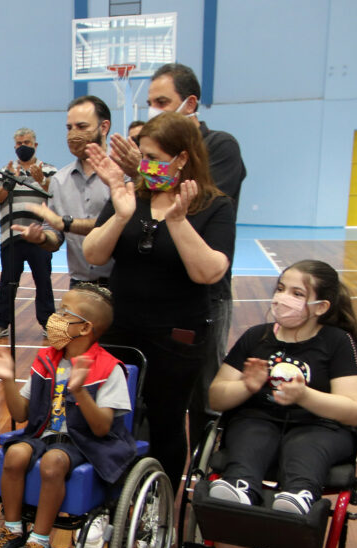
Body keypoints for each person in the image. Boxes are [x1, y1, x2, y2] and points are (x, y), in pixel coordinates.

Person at [82, 112, 236, 492]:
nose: (145, 165)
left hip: (177, 335)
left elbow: (209, 272)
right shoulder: (130, 193)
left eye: (154, 157)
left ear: (182, 159)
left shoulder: (213, 206)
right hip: (122, 327)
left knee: (167, 420)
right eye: (142, 155)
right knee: (112, 413)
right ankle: (110, 491)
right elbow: (94, 254)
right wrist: (120, 215)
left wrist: (179, 221)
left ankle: (159, 497)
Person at [113, 63, 247, 445]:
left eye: (162, 101)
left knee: (199, 393)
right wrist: (142, 174)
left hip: (199, 296)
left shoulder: (220, 146)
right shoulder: (147, 174)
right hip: (141, 303)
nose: (154, 108)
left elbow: (197, 198)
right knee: (137, 401)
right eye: (151, 102)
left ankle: (200, 474)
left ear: (190, 103)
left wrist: (142, 170)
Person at [0, 285, 135, 548]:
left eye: (64, 313)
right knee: (15, 453)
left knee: (53, 463)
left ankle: (40, 542)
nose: (55, 318)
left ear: (85, 327)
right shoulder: (46, 360)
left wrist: (79, 391)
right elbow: (20, 414)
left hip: (86, 443)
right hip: (43, 436)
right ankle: (12, 531)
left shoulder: (108, 369)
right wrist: (7, 379)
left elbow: (102, 428)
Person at [207, 260, 357, 514]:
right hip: (258, 419)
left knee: (307, 444)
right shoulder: (256, 337)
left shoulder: (338, 342)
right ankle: (241, 486)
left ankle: (299, 495)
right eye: (280, 289)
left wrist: (304, 396)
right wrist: (246, 387)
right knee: (251, 433)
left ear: (321, 307)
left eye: (297, 294)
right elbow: (216, 398)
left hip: (319, 425)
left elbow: (353, 410)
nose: (282, 298)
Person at [26, 96, 113, 289]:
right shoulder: (60, 180)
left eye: (81, 127)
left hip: (120, 285)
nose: (73, 134)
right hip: (79, 285)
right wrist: (41, 238)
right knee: (60, 321)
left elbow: (117, 226)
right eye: (69, 128)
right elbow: (54, 235)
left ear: (104, 127)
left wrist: (65, 223)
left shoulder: (123, 174)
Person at [0, 127, 58, 340]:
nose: (23, 147)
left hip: (40, 236)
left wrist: (43, 181)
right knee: (7, 283)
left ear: (35, 145)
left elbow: (56, 196)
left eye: (27, 142)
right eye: (19, 143)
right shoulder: (6, 170)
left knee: (43, 281)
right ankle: (2, 323)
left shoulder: (50, 170)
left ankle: (48, 323)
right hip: (12, 237)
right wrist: (9, 182)